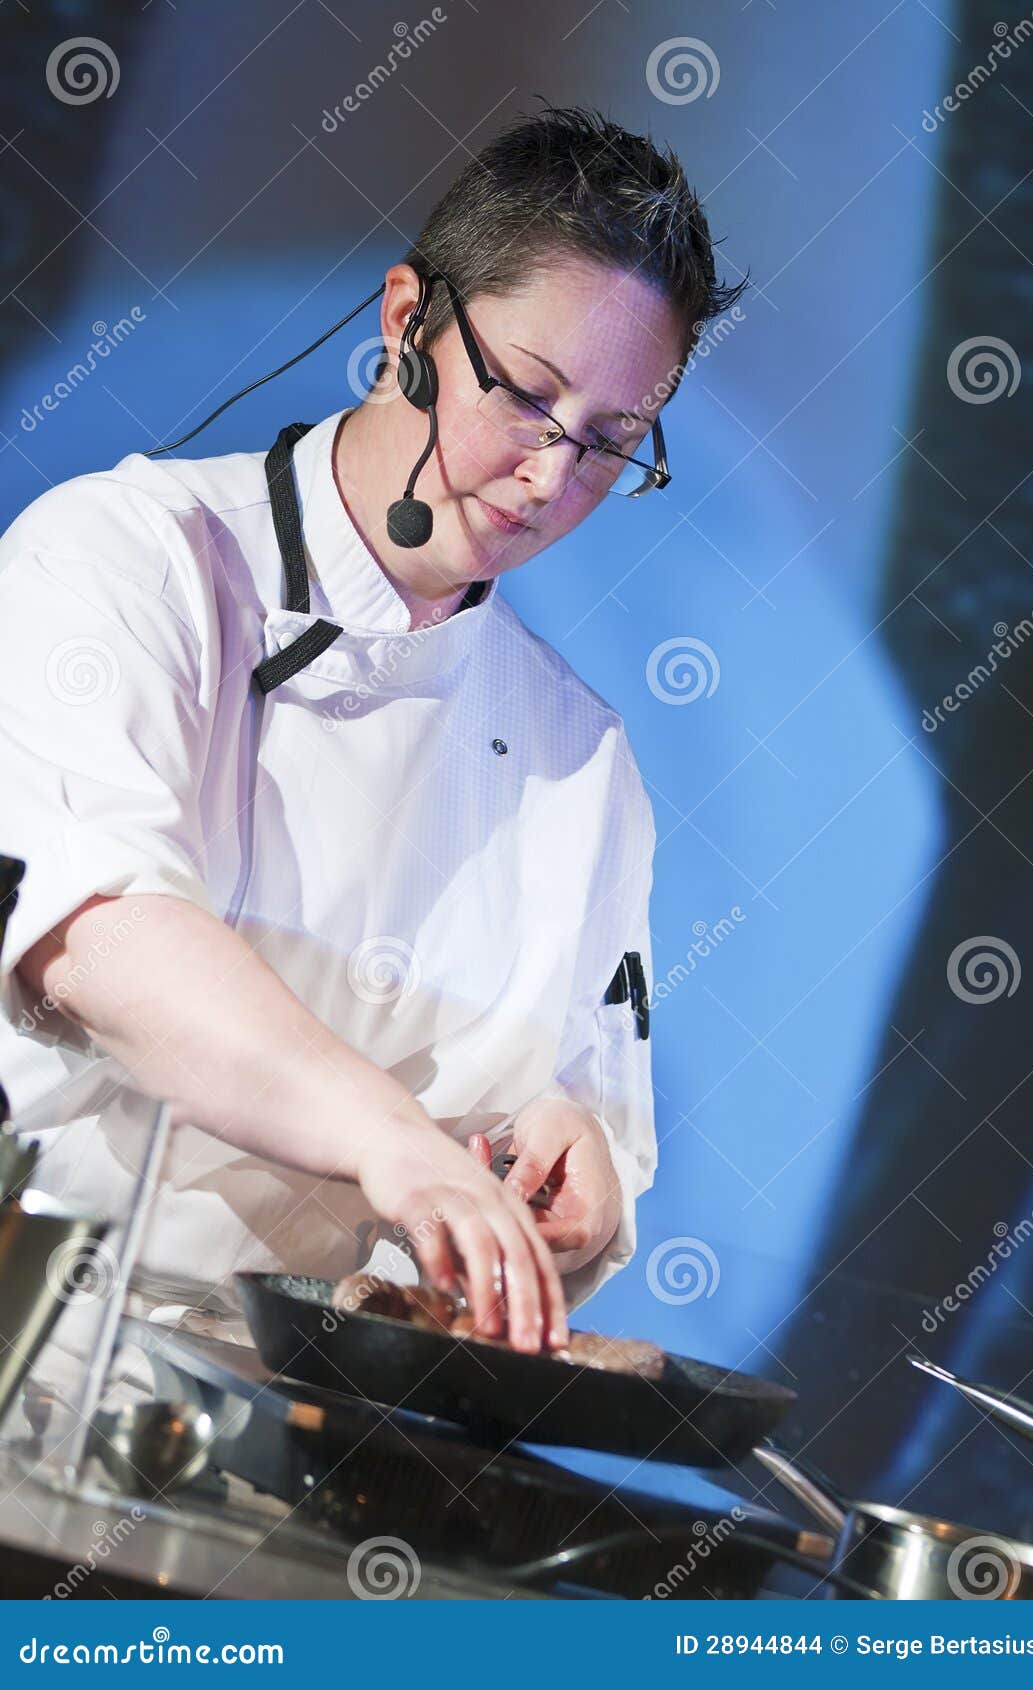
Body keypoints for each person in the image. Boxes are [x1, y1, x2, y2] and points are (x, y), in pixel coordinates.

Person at [0, 104, 743, 1363]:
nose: (548, 479)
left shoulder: (580, 755)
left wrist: (581, 1177)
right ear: (407, 323)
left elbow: (586, 1106)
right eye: (526, 396)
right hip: (49, 1341)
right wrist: (389, 1137)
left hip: (332, 1401)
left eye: (611, 445)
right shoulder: (128, 557)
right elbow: (95, 933)